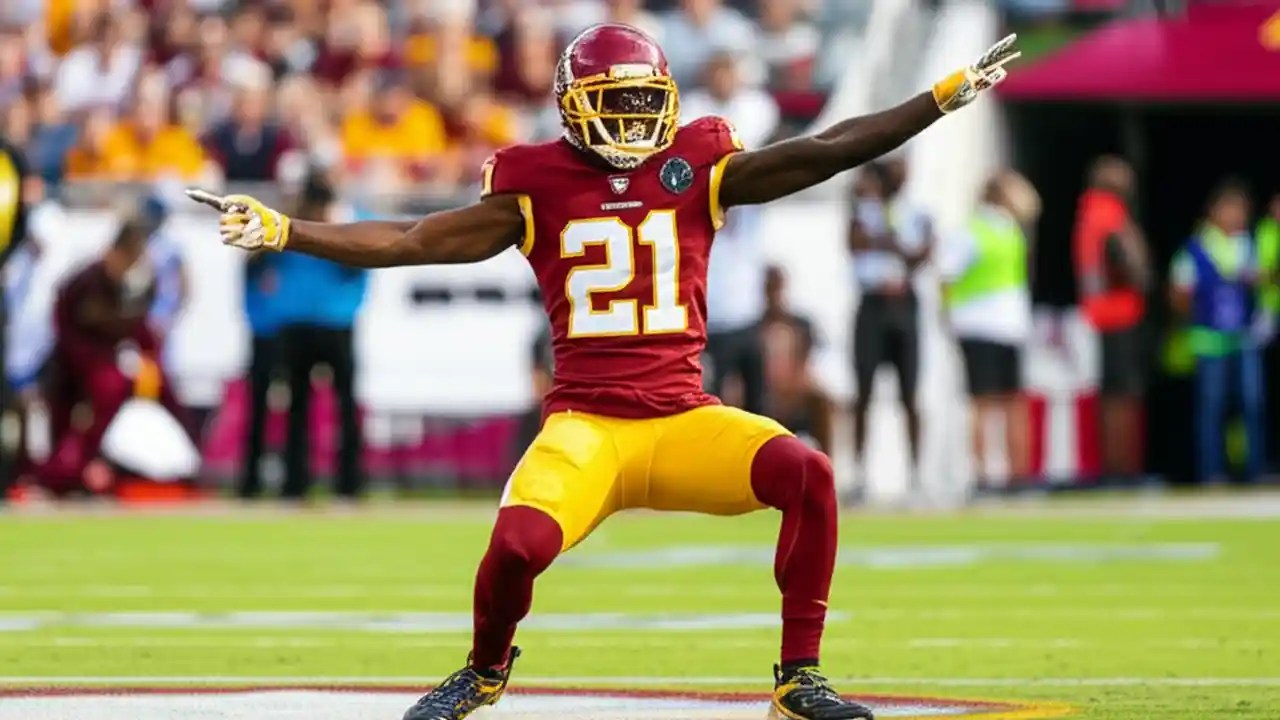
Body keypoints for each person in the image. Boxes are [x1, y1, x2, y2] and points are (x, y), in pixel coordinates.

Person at [188, 24, 1020, 720]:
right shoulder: (534, 180)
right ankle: (483, 671)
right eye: (613, 99)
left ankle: (798, 678)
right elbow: (412, 240)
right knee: (515, 544)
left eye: (643, 98)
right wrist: (288, 231)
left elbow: (828, 149)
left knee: (807, 473)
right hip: (585, 427)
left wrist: (935, 100)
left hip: (684, 418)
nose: (630, 116)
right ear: (572, 105)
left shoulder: (700, 163)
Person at [44, 210, 189, 494]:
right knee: (87, 403)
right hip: (74, 368)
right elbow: (68, 329)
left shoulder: (138, 284)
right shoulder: (85, 282)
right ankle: (63, 476)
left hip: (109, 369)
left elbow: (142, 332)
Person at [686, 51, 779, 413]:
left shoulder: (756, 109)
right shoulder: (693, 109)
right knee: (711, 401)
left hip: (745, 307)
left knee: (758, 402)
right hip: (708, 312)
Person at [939, 170, 1039, 492]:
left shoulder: (1010, 230)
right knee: (982, 402)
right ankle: (983, 474)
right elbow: (947, 276)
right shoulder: (972, 230)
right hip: (979, 325)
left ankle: (1017, 474)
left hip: (1009, 327)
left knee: (1012, 402)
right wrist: (949, 317)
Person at [273, 173, 367, 500]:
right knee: (298, 407)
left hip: (335, 320)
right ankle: (296, 483)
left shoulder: (345, 221)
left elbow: (358, 264)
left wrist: (336, 228)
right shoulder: (291, 223)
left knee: (344, 406)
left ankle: (349, 483)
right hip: (301, 321)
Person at [1169, 180, 1266, 484]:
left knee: (1251, 405)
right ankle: (1212, 472)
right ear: (1214, 212)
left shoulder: (1250, 244)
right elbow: (1179, 290)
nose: (1236, 216)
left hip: (1244, 336)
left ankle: (1253, 469)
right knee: (1212, 408)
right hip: (1210, 339)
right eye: (1230, 209)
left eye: (1241, 210)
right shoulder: (1196, 247)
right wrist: (1194, 316)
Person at [848, 158, 932, 491]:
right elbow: (856, 243)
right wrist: (895, 244)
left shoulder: (916, 210)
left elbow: (923, 251)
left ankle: (916, 474)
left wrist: (886, 242)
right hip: (872, 304)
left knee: (910, 392)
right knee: (863, 390)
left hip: (903, 304)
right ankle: (859, 472)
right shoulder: (862, 211)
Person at [1072, 156, 1150, 481]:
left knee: (1111, 394)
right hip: (1117, 314)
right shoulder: (1109, 213)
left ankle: (1113, 466)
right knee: (1121, 396)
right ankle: (1121, 469)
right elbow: (1126, 262)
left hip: (1099, 314)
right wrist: (1141, 275)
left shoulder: (1088, 212)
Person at [760, 265, 832, 454]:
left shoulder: (802, 325)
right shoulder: (754, 329)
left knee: (822, 398)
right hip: (763, 395)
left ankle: (826, 469)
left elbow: (810, 362)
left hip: (796, 393)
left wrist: (793, 389)